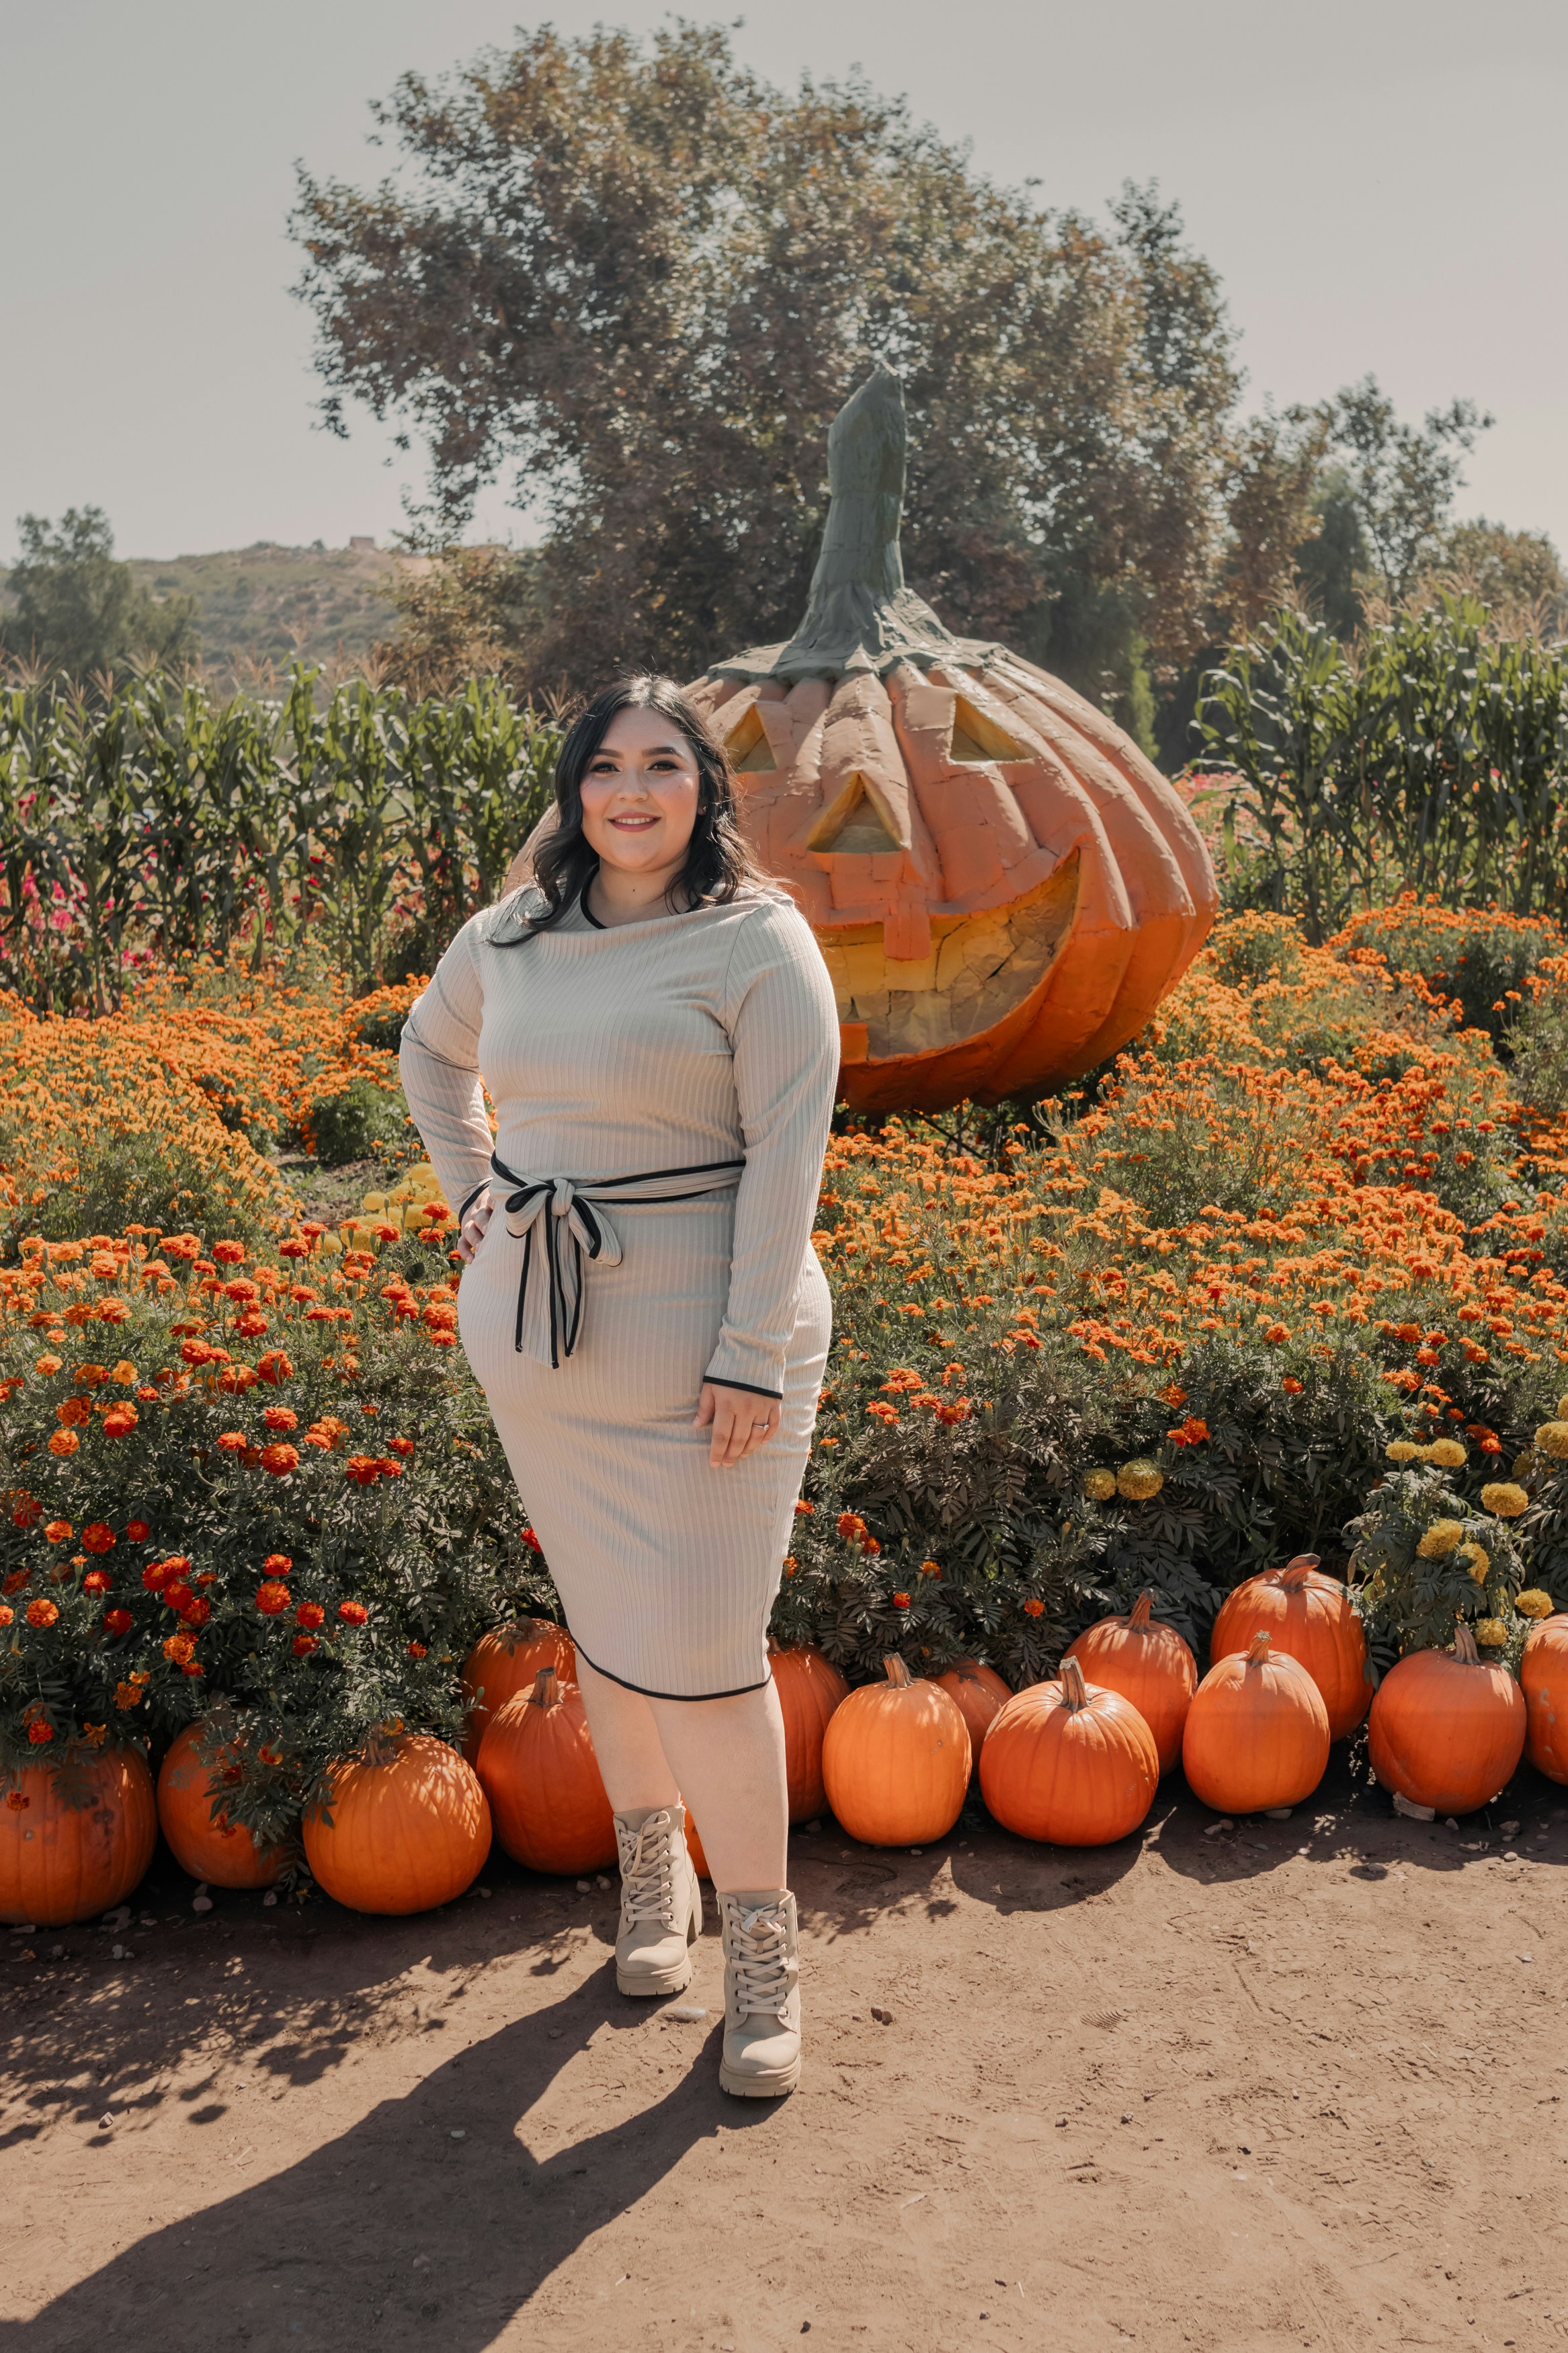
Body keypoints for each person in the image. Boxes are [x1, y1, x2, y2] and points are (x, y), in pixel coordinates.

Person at [399, 674, 839, 2098]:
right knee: (606, 1623)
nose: (631, 790)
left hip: (717, 1340)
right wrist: (472, 1196)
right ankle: (657, 1884)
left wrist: (749, 1352)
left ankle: (762, 1946)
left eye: (664, 764)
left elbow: (788, 1159)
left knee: (707, 1646)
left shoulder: (757, 942)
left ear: (706, 788)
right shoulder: (511, 934)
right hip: (544, 1335)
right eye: (606, 766)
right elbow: (427, 1050)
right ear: (575, 788)